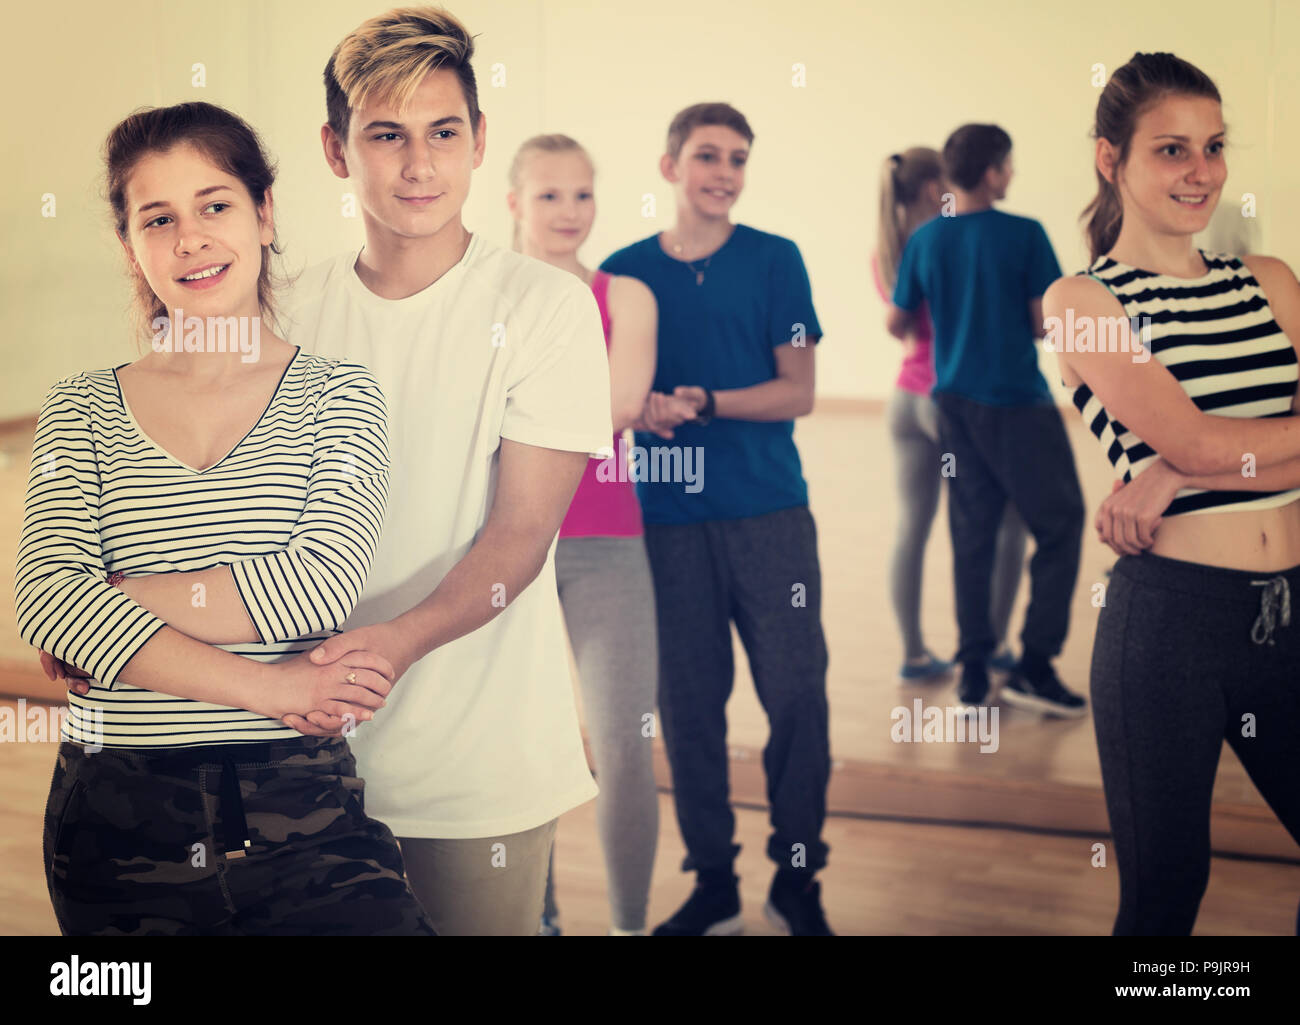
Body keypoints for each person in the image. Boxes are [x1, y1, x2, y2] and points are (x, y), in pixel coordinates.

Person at [17, 101, 434, 936]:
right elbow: (44, 601)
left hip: (304, 808)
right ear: (129, 242)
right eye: (158, 218)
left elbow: (313, 591)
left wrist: (112, 594)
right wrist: (277, 686)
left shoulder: (338, 395)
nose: (191, 239)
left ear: (264, 212)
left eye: (215, 205)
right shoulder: (79, 409)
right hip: (114, 817)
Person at [275, 6, 613, 936]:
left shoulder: (547, 307)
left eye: (443, 133)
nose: (418, 163)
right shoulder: (287, 311)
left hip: (479, 761)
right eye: (386, 135)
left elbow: (520, 536)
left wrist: (394, 642)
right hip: (299, 751)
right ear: (337, 151)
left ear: (478, 144)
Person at [1045, 51, 1300, 935]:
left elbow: (1194, 449)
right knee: (1165, 894)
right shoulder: (1080, 299)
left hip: (1289, 611)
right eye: (1171, 150)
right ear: (1111, 159)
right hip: (1170, 626)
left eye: (1214, 146)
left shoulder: (1268, 283)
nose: (1202, 172)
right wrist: (1190, 456)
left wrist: (1174, 471)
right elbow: (1196, 436)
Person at [601, 102, 833, 936]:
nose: (724, 172)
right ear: (670, 166)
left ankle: (797, 879)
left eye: (738, 158)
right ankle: (715, 883)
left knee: (799, 698)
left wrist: (704, 402)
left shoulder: (778, 260)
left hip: (770, 516)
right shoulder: (622, 274)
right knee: (691, 709)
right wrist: (640, 408)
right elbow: (602, 398)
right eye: (707, 156)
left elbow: (797, 391)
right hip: (664, 522)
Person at [506, 133, 663, 936]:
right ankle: (539, 920)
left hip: (606, 538)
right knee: (520, 746)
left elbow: (620, 408)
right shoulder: (485, 298)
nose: (569, 212)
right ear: (512, 204)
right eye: (548, 195)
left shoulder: (626, 295)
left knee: (625, 744)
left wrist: (507, 426)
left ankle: (630, 926)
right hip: (503, 552)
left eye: (582, 195)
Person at [887, 123, 1088, 717]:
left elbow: (899, 323)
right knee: (1061, 523)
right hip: (1018, 403)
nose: (1013, 175)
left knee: (969, 535)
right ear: (995, 172)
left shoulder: (926, 241)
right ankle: (1034, 665)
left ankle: (972, 675)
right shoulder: (1025, 234)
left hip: (952, 406)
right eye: (1010, 164)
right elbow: (1040, 321)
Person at [872, 146, 1027, 683]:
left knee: (911, 528)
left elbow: (900, 324)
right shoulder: (954, 240)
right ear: (930, 188)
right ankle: (995, 646)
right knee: (1004, 523)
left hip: (905, 400)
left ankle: (913, 654)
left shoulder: (887, 249)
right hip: (956, 401)